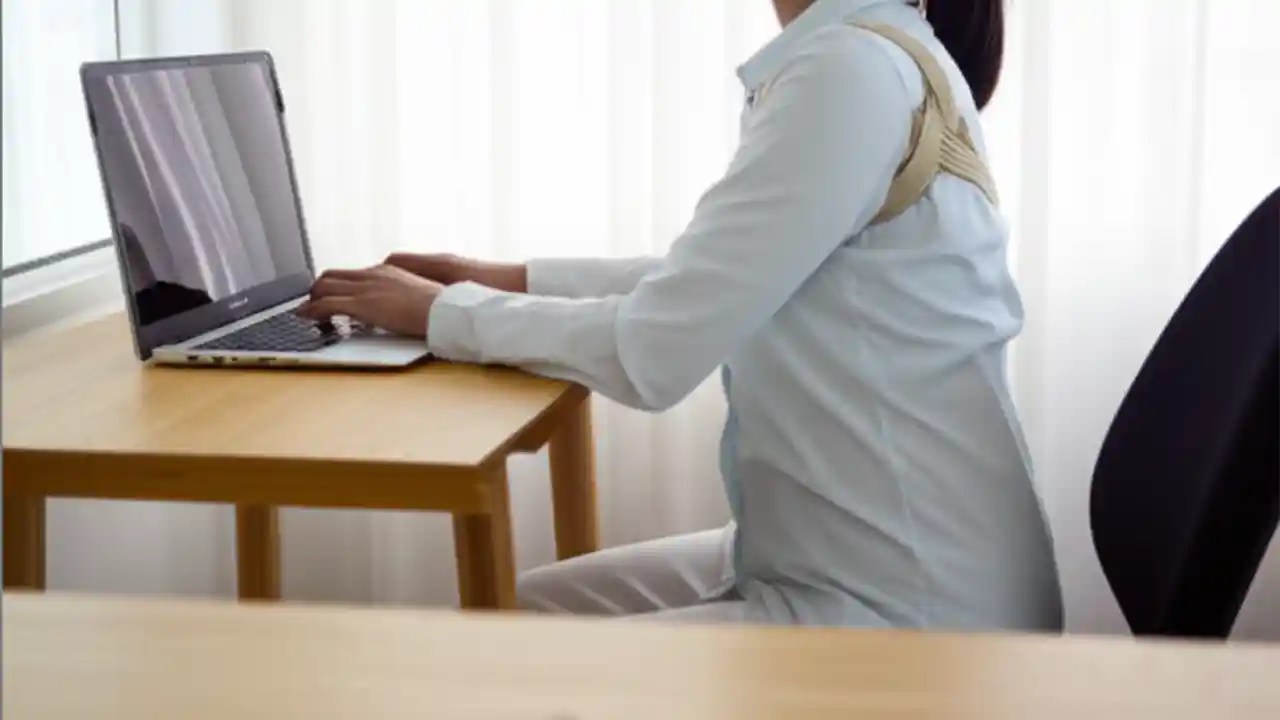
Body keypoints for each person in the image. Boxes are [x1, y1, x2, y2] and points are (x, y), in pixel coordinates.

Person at [301, 0, 1064, 630]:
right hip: (864, 563)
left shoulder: (849, 72)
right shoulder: (876, 54)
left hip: (908, 614)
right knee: (511, 618)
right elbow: (714, 281)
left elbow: (653, 353)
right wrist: (498, 279)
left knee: (497, 666)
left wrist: (445, 315)